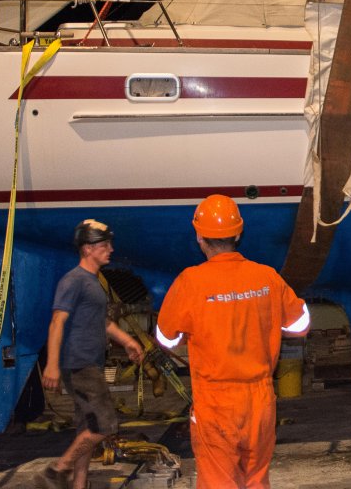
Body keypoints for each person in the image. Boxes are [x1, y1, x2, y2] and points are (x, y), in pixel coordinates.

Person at [154, 195, 310, 489]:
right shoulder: (266, 277)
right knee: (256, 480)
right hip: (260, 400)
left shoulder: (191, 282)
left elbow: (166, 338)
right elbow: (300, 323)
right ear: (238, 234)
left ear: (199, 236)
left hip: (216, 403)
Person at [40, 220, 144, 489]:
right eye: (104, 245)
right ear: (87, 249)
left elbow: (103, 322)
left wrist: (128, 341)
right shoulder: (74, 281)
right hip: (80, 365)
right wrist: (51, 364)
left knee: (86, 426)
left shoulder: (92, 282)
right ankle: (58, 469)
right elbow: (57, 321)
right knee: (105, 425)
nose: (110, 249)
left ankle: (80, 484)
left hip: (90, 364)